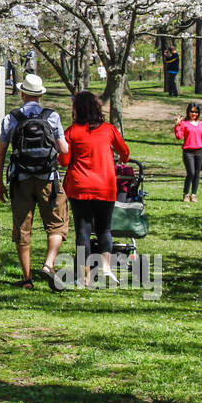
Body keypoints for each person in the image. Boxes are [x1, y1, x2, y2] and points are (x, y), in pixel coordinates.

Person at [0, 75, 71, 291]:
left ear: (22, 93)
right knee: (56, 223)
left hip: (20, 180)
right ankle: (48, 265)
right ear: (40, 95)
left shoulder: (11, 118)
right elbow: (64, 149)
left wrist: (0, 182)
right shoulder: (52, 117)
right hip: (48, 179)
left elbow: (1, 153)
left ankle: (27, 279)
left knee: (22, 226)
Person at [63, 91, 130, 288]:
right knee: (104, 228)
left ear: (78, 109)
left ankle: (84, 276)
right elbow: (125, 153)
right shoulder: (109, 130)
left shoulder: (72, 132)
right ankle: (106, 268)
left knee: (83, 230)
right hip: (105, 185)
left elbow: (64, 160)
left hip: (80, 186)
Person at [173, 102, 202, 203]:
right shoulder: (184, 123)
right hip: (188, 152)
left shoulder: (200, 124)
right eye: (192, 111)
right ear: (188, 112)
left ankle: (194, 194)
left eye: (196, 112)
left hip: (199, 151)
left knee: (197, 174)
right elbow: (179, 136)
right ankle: (186, 194)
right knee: (191, 173)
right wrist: (177, 126)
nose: (194, 114)